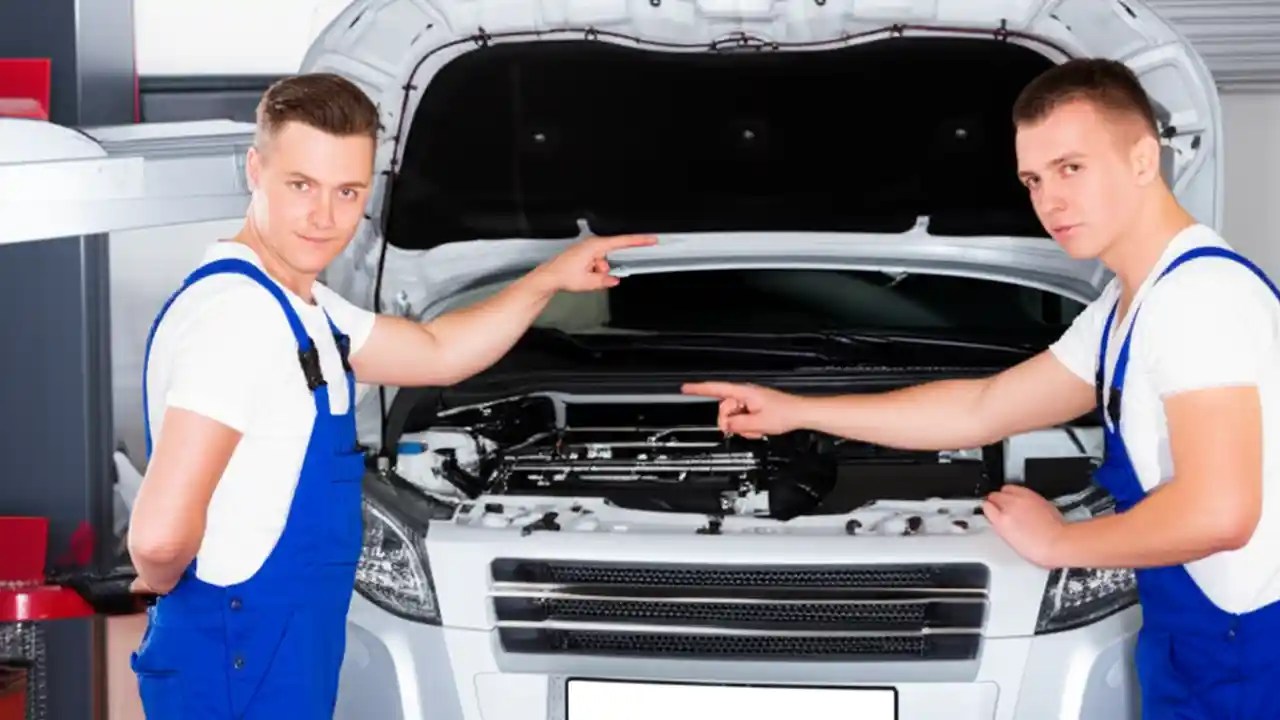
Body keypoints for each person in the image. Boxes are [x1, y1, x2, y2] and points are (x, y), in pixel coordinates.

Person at [683, 58, 1280, 719]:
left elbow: (1221, 512)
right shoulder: (1126, 308)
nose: (1049, 199)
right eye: (1033, 178)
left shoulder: (1200, 299)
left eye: (1071, 167)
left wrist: (1059, 543)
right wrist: (795, 411)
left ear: (1143, 159)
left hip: (1245, 651)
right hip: (1196, 640)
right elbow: (983, 407)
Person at [125, 73, 654, 718]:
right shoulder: (237, 319)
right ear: (254, 169)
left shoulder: (304, 308)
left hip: (271, 648)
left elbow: (436, 350)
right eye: (302, 186)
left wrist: (547, 280)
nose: (325, 218)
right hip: (238, 651)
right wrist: (160, 581)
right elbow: (157, 537)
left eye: (347, 192)